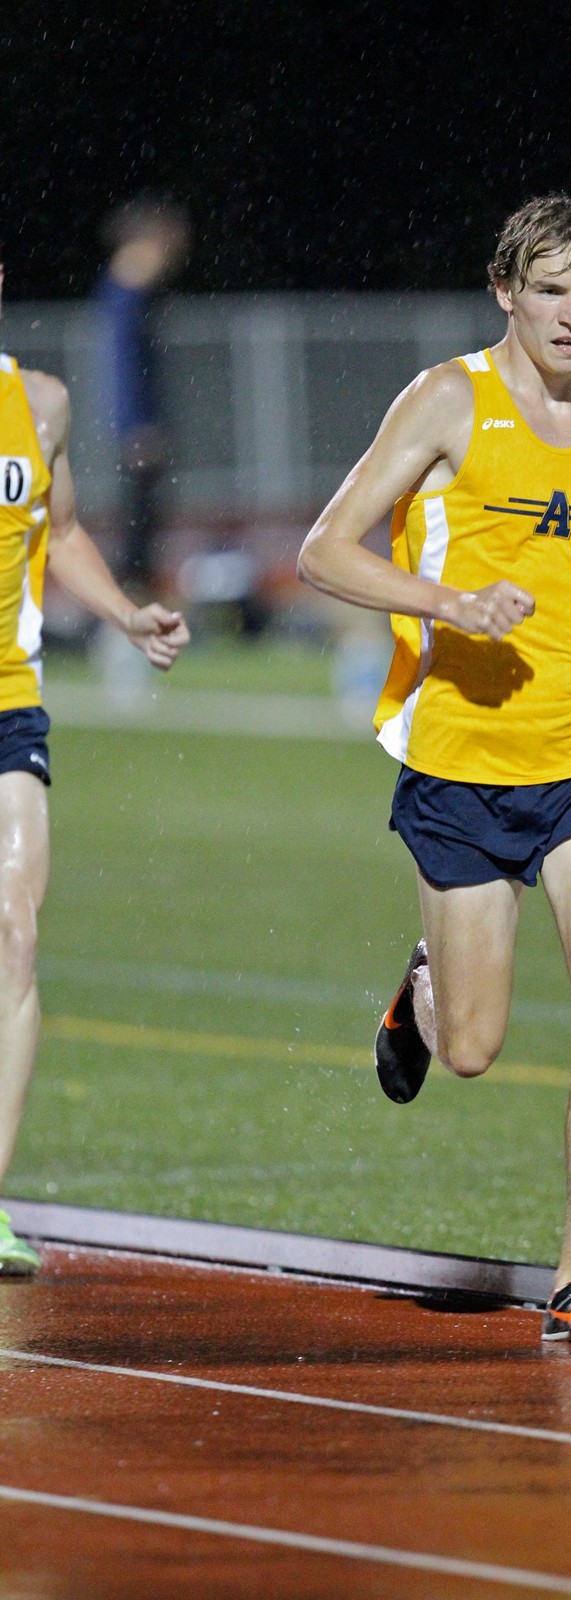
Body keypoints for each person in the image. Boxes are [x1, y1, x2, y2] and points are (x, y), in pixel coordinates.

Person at [299, 194, 571, 1345]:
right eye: (551, 291)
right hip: (463, 760)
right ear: (505, 291)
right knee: (473, 1047)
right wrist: (449, 603)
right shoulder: (446, 400)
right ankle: (422, 989)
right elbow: (322, 550)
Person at [0, 258, 190, 1273]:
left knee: (15, 934)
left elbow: (60, 529)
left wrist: (123, 612)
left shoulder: (40, 402)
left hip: (7, 702)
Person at [95, 199, 191, 591]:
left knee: (142, 525)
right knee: (137, 528)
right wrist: (137, 425)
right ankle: (126, 608)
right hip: (138, 428)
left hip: (138, 424)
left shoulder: (128, 297)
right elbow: (125, 369)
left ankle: (130, 603)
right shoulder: (127, 296)